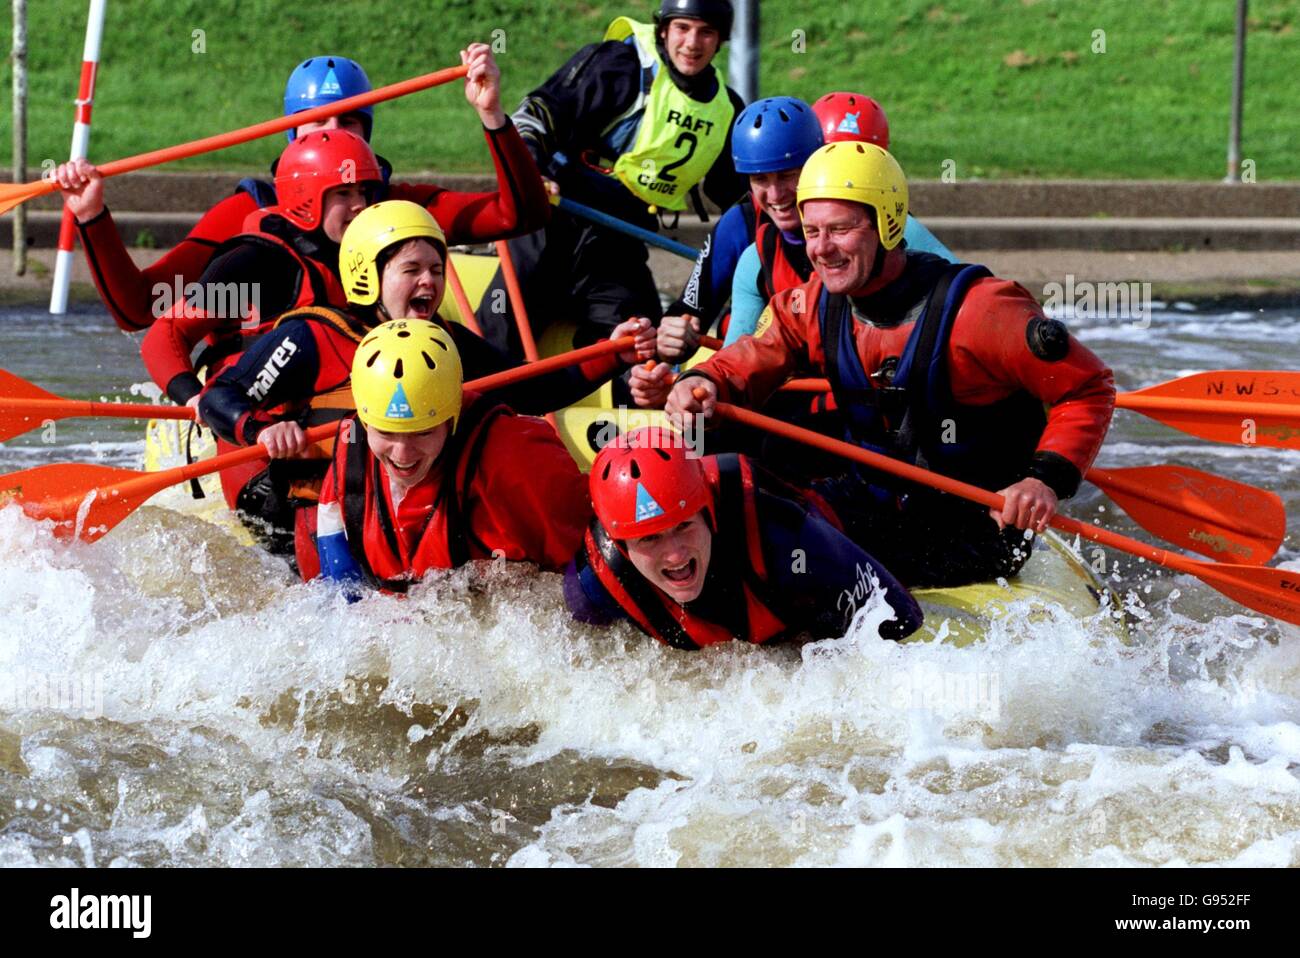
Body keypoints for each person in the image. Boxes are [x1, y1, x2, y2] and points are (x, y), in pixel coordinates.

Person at [665, 142, 1116, 588]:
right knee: (730, 492)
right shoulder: (814, 303)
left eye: (840, 229)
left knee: (782, 559)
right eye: (813, 230)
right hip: (871, 504)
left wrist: (1043, 482)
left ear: (887, 223)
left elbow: (1088, 387)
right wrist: (703, 381)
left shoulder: (981, 310)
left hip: (974, 528)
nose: (822, 249)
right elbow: (750, 355)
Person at [196, 201, 653, 572]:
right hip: (316, 516)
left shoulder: (446, 342)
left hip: (402, 515)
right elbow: (220, 395)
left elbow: (530, 391)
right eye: (412, 269)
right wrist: (260, 431)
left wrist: (612, 355)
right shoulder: (313, 337)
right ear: (367, 276)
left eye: (436, 269)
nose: (429, 282)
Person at [52, 45, 549, 333]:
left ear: (367, 133)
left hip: (379, 397)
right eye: (316, 123)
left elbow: (519, 217)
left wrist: (492, 115)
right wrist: (92, 217)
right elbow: (141, 307)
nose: (333, 133)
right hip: (273, 408)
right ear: (293, 135)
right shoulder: (249, 212)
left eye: (349, 121)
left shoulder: (400, 206)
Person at [473, 0, 747, 357]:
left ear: (720, 40)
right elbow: (538, 115)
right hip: (552, 220)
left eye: (706, 32)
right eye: (683, 28)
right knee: (499, 330)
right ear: (663, 30)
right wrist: (532, 172)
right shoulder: (618, 65)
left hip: (618, 242)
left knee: (643, 343)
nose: (692, 43)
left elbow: (738, 194)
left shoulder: (727, 110)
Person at [563, 428, 922, 648]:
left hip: (846, 518)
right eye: (650, 540)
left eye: (684, 526)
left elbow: (902, 618)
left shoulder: (786, 541)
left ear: (708, 512)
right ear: (622, 547)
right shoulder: (593, 588)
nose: (674, 556)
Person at [315, 320, 591, 592]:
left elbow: (593, 567)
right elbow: (340, 596)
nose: (402, 454)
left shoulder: (515, 459)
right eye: (386, 433)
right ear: (365, 422)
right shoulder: (349, 456)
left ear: (451, 418)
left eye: (422, 432)